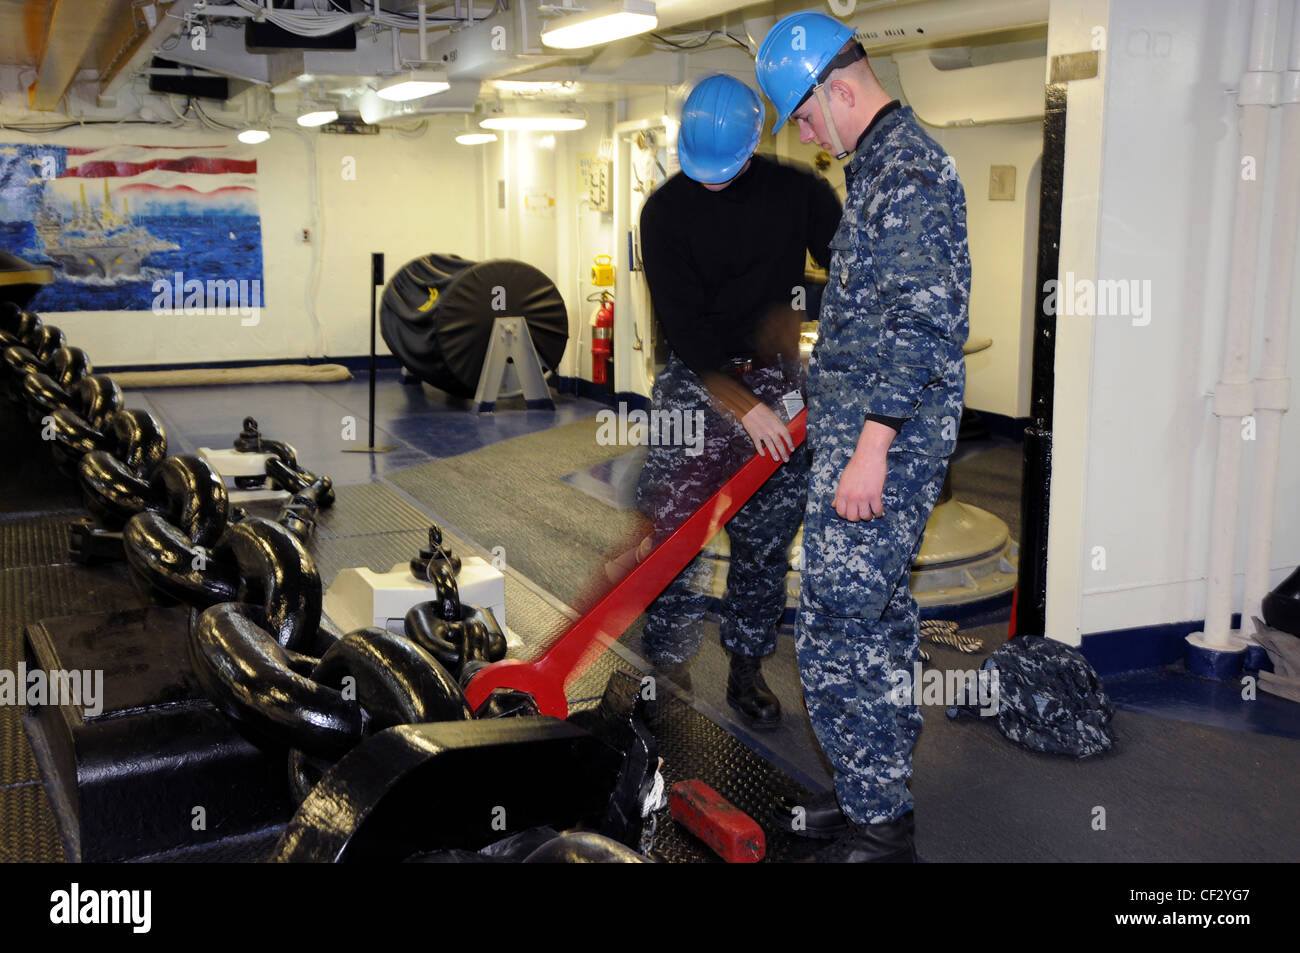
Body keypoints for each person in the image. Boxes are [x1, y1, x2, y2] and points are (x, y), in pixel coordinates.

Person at [755, 11, 971, 861]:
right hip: (855, 435)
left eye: (806, 117)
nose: (808, 135)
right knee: (875, 621)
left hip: (887, 447)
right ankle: (870, 793)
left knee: (836, 623)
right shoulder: (877, 166)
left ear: (838, 88)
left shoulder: (910, 172)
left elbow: (924, 323)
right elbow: (868, 314)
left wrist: (873, 445)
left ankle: (883, 825)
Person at [635, 72, 841, 728]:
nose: (713, 181)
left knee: (766, 535)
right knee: (672, 532)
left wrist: (800, 318)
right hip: (696, 381)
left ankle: (747, 667)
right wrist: (739, 405)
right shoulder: (664, 212)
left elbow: (851, 274)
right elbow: (687, 330)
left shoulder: (799, 193)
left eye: (725, 168)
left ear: (756, 140)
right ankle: (665, 666)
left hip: (775, 378)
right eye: (701, 168)